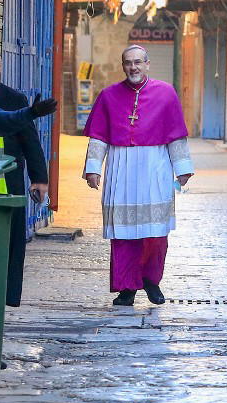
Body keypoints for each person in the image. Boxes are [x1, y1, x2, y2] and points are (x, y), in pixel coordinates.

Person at [83, 45, 194, 306]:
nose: (133, 67)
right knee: (123, 233)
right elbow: (98, 136)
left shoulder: (166, 93)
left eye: (138, 62)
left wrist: (182, 167)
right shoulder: (108, 96)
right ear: (123, 66)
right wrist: (92, 168)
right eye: (128, 63)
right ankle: (126, 288)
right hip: (121, 167)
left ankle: (151, 281)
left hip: (154, 167)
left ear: (147, 64)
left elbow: (176, 133)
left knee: (155, 233)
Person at [0, 45, 50, 307]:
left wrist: (39, 178)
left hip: (10, 180)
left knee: (12, 240)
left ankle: (8, 296)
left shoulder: (13, 98)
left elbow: (30, 141)